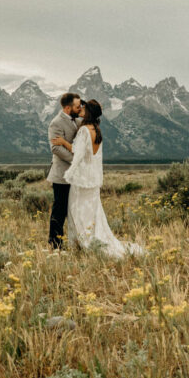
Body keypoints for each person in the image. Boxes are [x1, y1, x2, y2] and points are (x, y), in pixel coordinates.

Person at [51, 99, 145, 259]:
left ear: (88, 112)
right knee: (93, 212)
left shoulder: (83, 130)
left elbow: (78, 153)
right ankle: (93, 239)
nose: (80, 108)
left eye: (83, 107)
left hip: (81, 180)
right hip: (93, 179)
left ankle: (81, 244)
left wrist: (63, 146)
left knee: (75, 211)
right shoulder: (96, 129)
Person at [46, 92, 82, 249]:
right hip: (61, 174)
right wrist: (76, 160)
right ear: (68, 108)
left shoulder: (77, 120)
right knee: (59, 210)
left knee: (74, 208)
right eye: (77, 106)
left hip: (75, 175)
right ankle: (55, 243)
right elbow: (55, 148)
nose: (80, 108)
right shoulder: (56, 123)